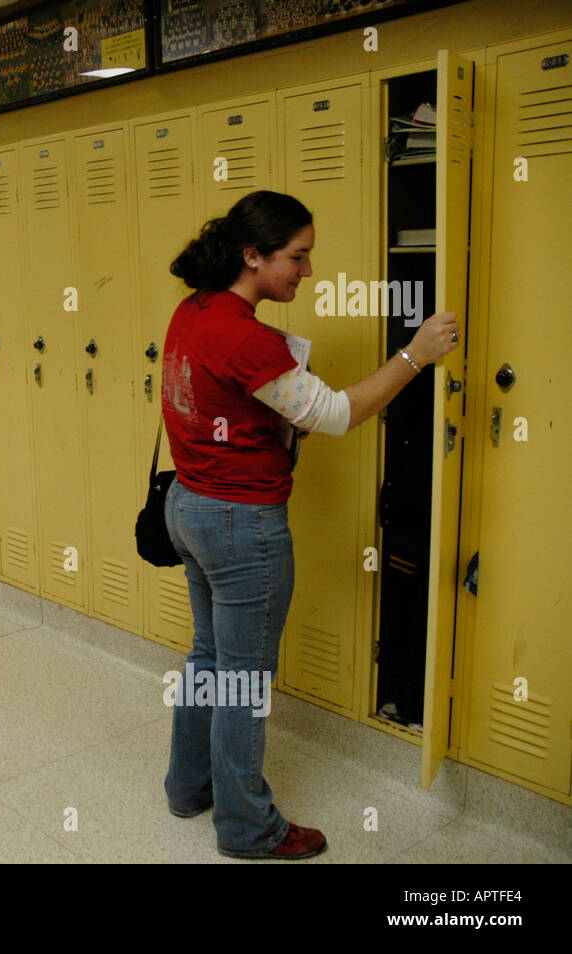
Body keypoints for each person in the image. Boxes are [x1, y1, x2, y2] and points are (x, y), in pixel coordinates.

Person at [160, 190, 459, 860]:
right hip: (239, 525)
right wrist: (415, 355)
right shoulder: (245, 335)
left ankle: (188, 786)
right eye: (297, 257)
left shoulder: (196, 311)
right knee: (243, 679)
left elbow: (226, 401)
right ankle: (246, 828)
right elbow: (338, 414)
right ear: (253, 255)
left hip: (190, 505)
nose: (308, 270)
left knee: (210, 658)